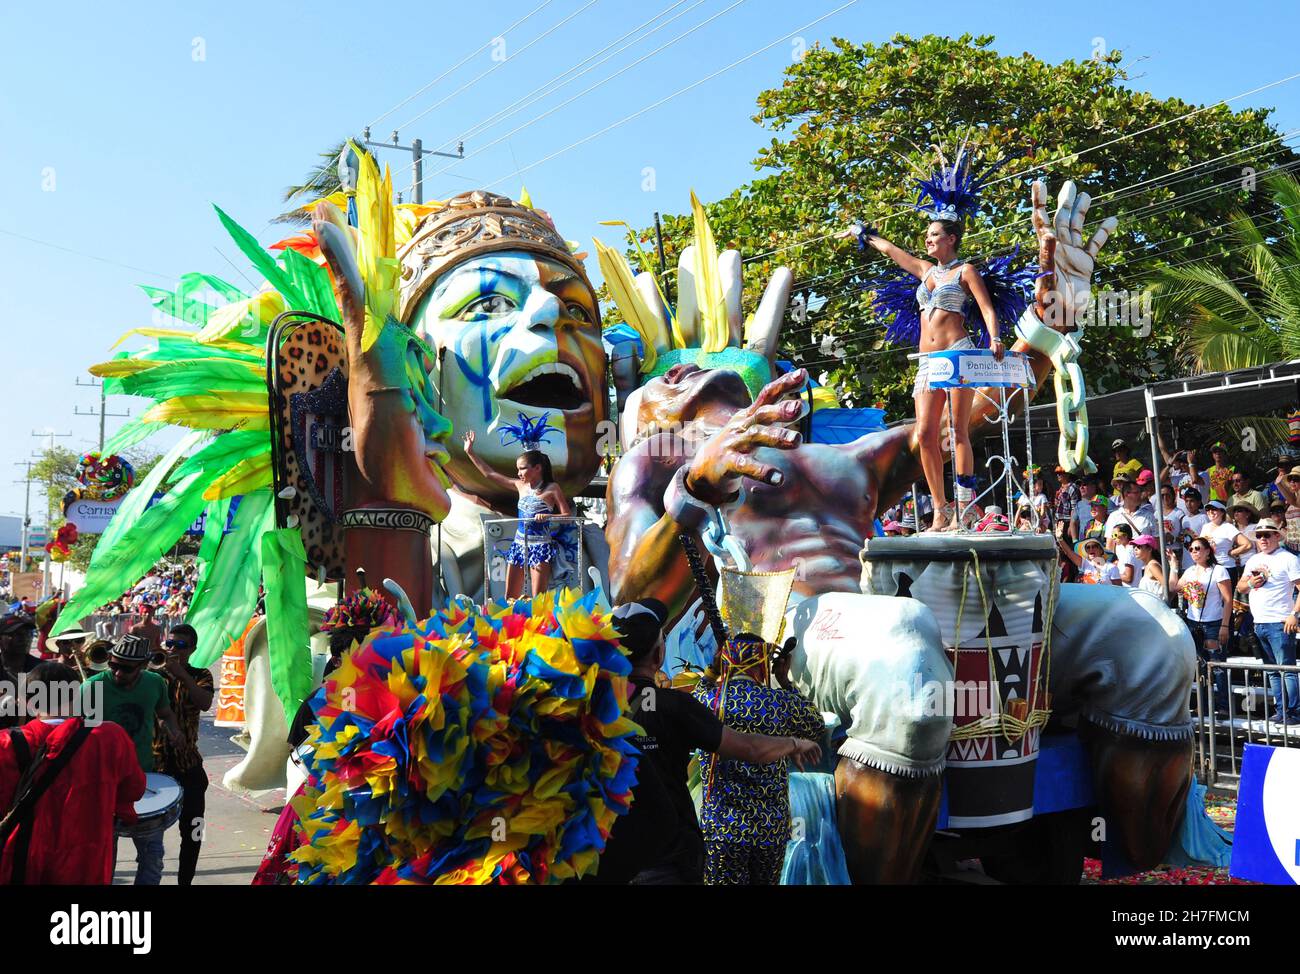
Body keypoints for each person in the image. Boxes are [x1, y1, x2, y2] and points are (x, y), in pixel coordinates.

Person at [590, 600, 821, 885]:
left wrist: (711, 674)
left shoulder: (588, 707)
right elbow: (805, 727)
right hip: (707, 845)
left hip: (622, 851)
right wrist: (792, 725)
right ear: (659, 654)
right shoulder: (775, 703)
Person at [843, 218, 1005, 532]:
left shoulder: (965, 271)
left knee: (958, 431)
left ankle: (965, 506)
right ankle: (941, 509)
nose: (927, 240)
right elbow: (891, 250)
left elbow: (986, 308)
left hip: (957, 353)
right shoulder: (925, 271)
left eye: (933, 235)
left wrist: (995, 337)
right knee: (925, 435)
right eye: (927, 235)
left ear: (951, 239)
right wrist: (864, 234)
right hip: (928, 361)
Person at [691, 633, 823, 885]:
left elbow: (695, 695)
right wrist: (785, 681)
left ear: (726, 660)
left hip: (723, 828)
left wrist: (711, 672)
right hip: (769, 829)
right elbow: (815, 723)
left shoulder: (710, 701)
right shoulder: (780, 703)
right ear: (763, 664)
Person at [0, 662, 146, 884]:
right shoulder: (112, 736)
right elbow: (134, 789)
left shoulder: (7, 743)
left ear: (29, 703)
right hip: (87, 861)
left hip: (25, 859)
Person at [82, 634, 183, 885]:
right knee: (104, 855)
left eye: (126, 668)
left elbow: (165, 713)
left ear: (143, 665)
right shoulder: (92, 687)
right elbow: (77, 733)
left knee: (152, 854)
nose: (117, 673)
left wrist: (174, 730)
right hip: (100, 782)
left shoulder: (155, 683)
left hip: (141, 777)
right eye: (113, 665)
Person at [462, 430, 572, 599]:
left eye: (522, 468)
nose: (519, 473)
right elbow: (489, 474)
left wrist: (548, 517)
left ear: (537, 468)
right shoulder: (520, 486)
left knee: (538, 598)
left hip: (540, 547)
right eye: (517, 469)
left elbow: (567, 515)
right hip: (519, 545)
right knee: (510, 597)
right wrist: (470, 452)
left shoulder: (552, 489)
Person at [152, 623, 213, 886]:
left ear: (192, 649)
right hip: (156, 764)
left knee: (193, 832)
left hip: (188, 765)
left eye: (180, 646)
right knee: (149, 837)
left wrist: (181, 674)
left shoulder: (201, 674)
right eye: (170, 644)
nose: (173, 649)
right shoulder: (152, 675)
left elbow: (204, 702)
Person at [1236, 519, 1300, 724]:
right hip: (1260, 622)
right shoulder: (1254, 559)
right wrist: (1249, 583)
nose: (1262, 538)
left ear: (1276, 536)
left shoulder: (1288, 558)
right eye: (1259, 535)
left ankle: (1294, 712)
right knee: (1273, 671)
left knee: (1286, 669)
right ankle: (1282, 711)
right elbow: (1240, 587)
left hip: (1280, 622)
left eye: (1267, 534)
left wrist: (1294, 614)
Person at [1173, 536, 1233, 718]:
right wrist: (1174, 566)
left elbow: (1228, 599)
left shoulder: (1219, 571)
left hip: (1214, 623)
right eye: (1191, 549)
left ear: (1208, 551)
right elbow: (1174, 588)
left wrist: (1224, 625)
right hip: (1194, 623)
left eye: (1197, 548)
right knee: (1200, 666)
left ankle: (1223, 706)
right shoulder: (1190, 571)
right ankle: (1203, 706)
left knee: (1217, 665)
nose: (1194, 552)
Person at [1205, 500, 1253, 587]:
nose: (1210, 512)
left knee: (1226, 600)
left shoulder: (1228, 527)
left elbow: (1248, 544)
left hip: (1226, 568)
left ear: (1222, 512)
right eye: (1208, 509)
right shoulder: (1205, 527)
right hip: (1209, 568)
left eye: (1214, 509)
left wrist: (1232, 552)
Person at [1104, 478, 1155, 544]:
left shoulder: (1149, 516)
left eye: (1140, 492)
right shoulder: (1114, 516)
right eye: (1136, 493)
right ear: (1126, 494)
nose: (1140, 495)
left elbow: (1157, 543)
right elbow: (1110, 545)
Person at [1176, 486, 1210, 571]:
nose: (1188, 504)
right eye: (1186, 501)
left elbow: (1208, 540)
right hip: (1185, 563)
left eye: (1192, 501)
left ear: (1198, 503)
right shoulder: (1184, 519)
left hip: (1199, 562)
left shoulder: (1203, 518)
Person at [1130, 534, 1166, 600]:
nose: (1135, 549)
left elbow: (1167, 589)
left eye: (1139, 546)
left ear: (1149, 549)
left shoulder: (1153, 566)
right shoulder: (1148, 565)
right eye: (1134, 546)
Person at [1052, 466, 1081, 540]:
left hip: (1067, 521)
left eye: (1060, 473)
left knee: (1067, 545)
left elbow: (1074, 509)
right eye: (1057, 474)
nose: (1058, 475)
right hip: (1058, 520)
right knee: (1059, 544)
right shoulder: (1061, 488)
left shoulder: (1072, 488)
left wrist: (1071, 526)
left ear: (1067, 474)